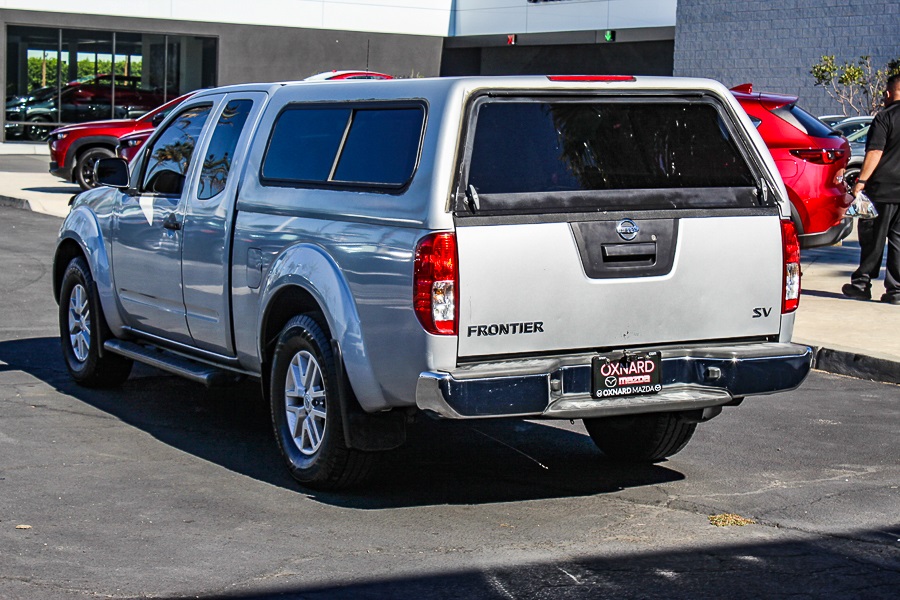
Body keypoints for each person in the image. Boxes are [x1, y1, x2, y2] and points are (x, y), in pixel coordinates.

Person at [842, 73, 900, 304]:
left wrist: (861, 182)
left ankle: (861, 284)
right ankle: (896, 291)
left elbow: (875, 151)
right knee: (898, 241)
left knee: (874, 238)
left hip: (882, 189)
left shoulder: (884, 117)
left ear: (887, 94)